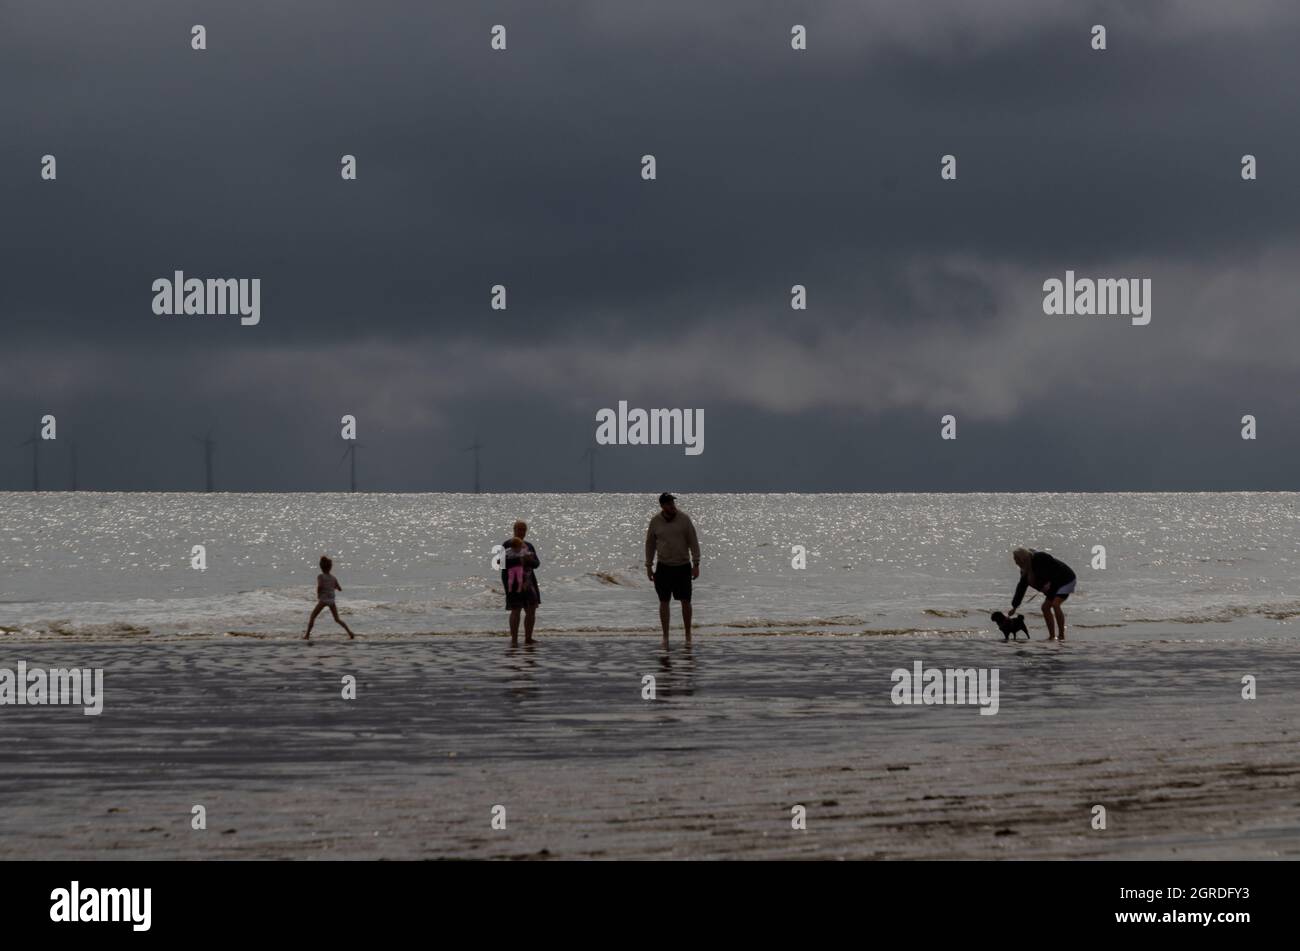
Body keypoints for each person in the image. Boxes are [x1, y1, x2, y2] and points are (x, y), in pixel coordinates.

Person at [645, 493, 701, 648]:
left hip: (682, 566)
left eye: (673, 503)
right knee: (663, 601)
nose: (672, 506)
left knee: (686, 601)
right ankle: (665, 636)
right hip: (663, 566)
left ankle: (688, 634)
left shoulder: (684, 519)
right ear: (662, 506)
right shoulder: (655, 521)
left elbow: (693, 542)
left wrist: (696, 564)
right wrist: (649, 566)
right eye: (669, 504)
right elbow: (650, 545)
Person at [1010, 547, 1076, 641]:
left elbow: (1055, 568)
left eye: (1016, 559)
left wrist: (1049, 582)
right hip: (1053, 585)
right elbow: (1021, 588)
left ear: (1022, 558)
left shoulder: (1040, 557)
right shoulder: (1025, 571)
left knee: (1055, 604)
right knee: (1045, 608)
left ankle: (1061, 635)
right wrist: (1014, 606)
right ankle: (1052, 636)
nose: (1016, 562)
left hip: (1066, 579)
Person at [501, 520, 540, 645]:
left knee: (531, 609)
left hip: (529, 581)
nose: (521, 532)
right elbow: (501, 564)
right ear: (514, 530)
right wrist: (520, 559)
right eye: (519, 529)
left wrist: (529, 561)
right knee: (516, 609)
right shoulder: (507, 544)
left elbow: (537, 564)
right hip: (513, 582)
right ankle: (514, 640)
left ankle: (528, 638)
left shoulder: (529, 545)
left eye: (524, 529)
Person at [304, 554, 355, 640]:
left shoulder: (320, 576)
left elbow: (319, 586)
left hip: (323, 600)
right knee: (337, 619)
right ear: (330, 567)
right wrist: (333, 587)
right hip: (331, 600)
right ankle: (350, 632)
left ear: (321, 567)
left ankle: (307, 635)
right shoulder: (333, 578)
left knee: (313, 616)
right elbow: (339, 588)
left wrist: (318, 594)